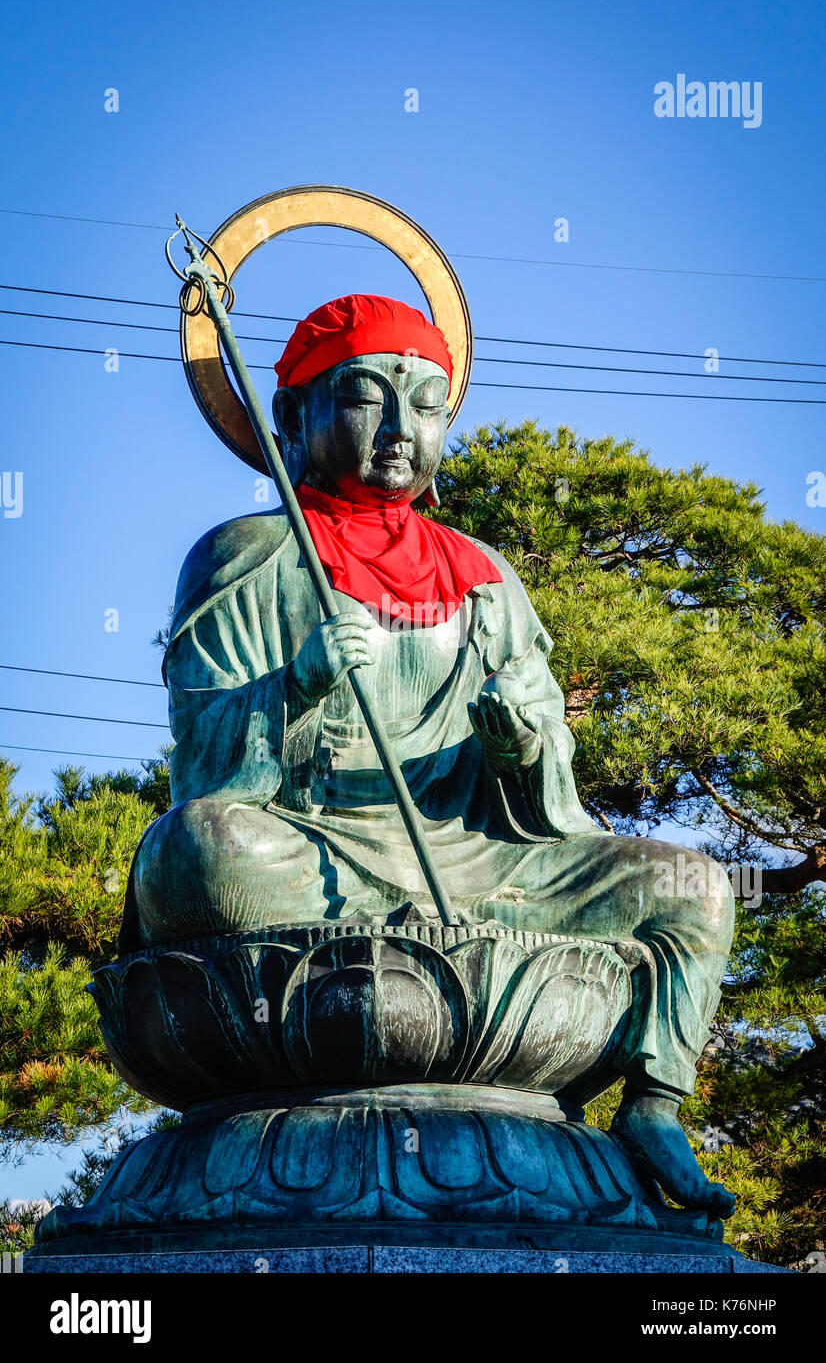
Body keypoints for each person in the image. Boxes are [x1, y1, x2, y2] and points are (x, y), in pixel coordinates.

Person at [123, 293, 735, 1215]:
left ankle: (653, 1101)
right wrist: (298, 682)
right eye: (368, 396)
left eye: (428, 403)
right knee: (197, 851)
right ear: (295, 415)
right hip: (307, 853)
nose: (401, 429)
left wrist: (524, 745)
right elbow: (204, 767)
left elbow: (545, 794)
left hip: (480, 866)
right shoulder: (248, 557)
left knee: (693, 888)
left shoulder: (485, 576)